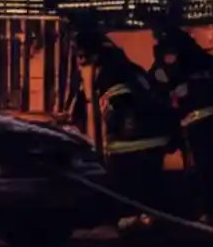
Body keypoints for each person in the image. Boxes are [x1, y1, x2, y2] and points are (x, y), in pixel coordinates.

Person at [74, 27, 175, 232]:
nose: (80, 62)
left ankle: (132, 226)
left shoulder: (107, 74)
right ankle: (145, 224)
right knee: (147, 192)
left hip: (132, 146)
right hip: (153, 142)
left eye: (82, 57)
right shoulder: (130, 69)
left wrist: (111, 134)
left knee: (127, 190)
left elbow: (119, 108)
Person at [149, 22, 213, 230]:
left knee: (201, 172)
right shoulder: (210, 62)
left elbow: (158, 96)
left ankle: (206, 216)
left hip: (196, 130)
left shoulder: (166, 65)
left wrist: (174, 114)